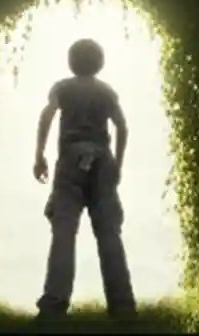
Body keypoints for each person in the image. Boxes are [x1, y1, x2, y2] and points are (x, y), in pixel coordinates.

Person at [32, 38, 137, 319]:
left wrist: (39, 154)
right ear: (99, 63)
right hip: (102, 160)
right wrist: (118, 163)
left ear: (71, 61)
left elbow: (48, 114)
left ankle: (54, 302)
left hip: (71, 160)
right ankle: (122, 305)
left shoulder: (62, 88)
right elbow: (122, 126)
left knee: (64, 233)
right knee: (109, 233)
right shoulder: (107, 92)